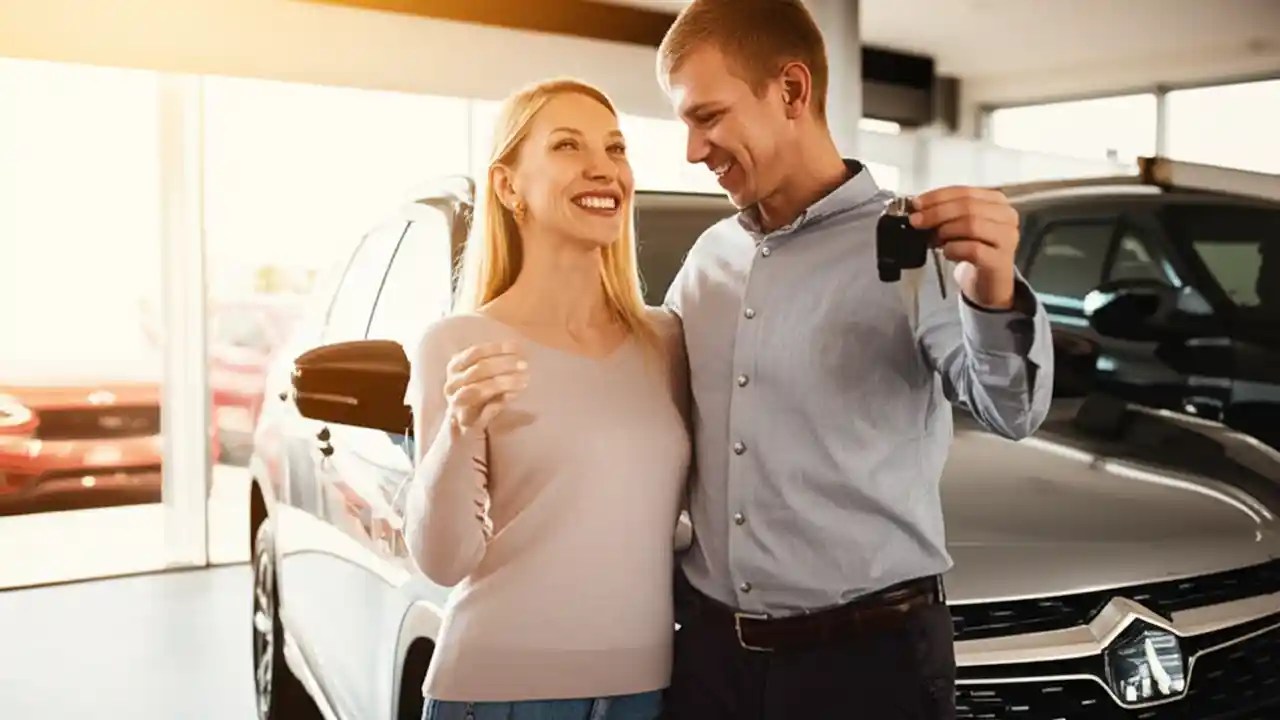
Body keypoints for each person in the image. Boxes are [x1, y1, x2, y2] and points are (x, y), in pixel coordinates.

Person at [654, 1, 1055, 718]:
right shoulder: (707, 261)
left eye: (707, 117)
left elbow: (1013, 410)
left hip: (868, 671)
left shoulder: (916, 251)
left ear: (792, 92)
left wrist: (991, 287)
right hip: (709, 662)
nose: (693, 149)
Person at [400, 77, 691, 720]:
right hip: (497, 693)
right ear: (508, 186)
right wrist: (456, 429)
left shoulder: (668, 342)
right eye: (568, 145)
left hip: (646, 693)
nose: (603, 168)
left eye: (616, 149)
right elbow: (444, 560)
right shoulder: (458, 343)